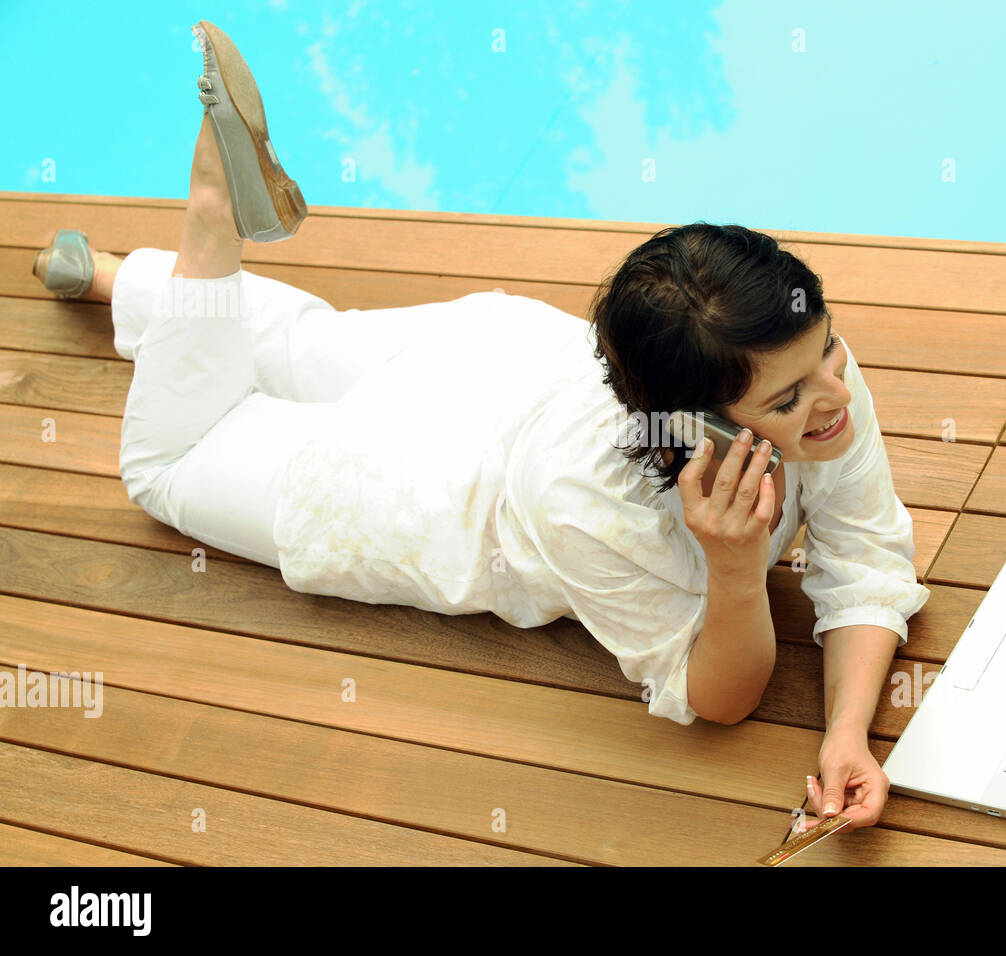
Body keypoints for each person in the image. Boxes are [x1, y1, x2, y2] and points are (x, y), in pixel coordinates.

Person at [31, 21, 930, 834]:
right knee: (174, 464)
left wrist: (849, 731)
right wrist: (736, 573)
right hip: (418, 482)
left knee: (311, 346)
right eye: (788, 398)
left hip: (493, 355)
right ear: (694, 425)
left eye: (831, 348)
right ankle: (211, 216)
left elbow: (862, 556)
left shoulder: (801, 377)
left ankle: (118, 280)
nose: (836, 395)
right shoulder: (591, 506)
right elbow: (720, 698)